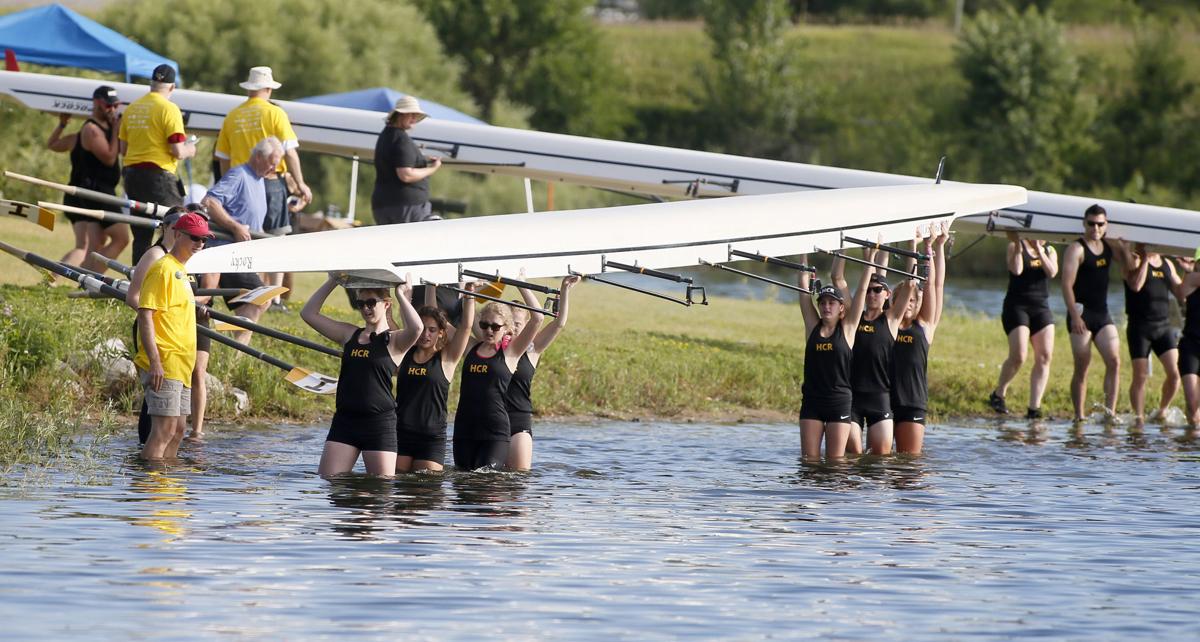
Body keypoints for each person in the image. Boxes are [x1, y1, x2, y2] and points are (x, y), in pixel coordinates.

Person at [301, 276, 422, 477]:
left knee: (380, 493)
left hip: (378, 424)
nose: (366, 308)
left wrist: (401, 295)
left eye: (371, 303)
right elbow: (308, 313)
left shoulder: (394, 340)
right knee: (331, 484)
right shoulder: (349, 334)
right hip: (345, 421)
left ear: (386, 304)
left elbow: (417, 328)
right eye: (361, 303)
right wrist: (333, 281)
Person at [214, 66, 312, 312]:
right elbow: (289, 152)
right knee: (276, 238)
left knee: (249, 236)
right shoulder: (275, 113)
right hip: (271, 180)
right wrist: (300, 184)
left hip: (241, 180)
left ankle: (253, 288)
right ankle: (275, 298)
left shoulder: (232, 116)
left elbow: (222, 157)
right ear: (268, 89)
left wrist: (231, 183)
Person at [126, 205, 213, 444]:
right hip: (165, 358)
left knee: (176, 431)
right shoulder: (162, 266)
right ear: (177, 234)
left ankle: (170, 480)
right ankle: (148, 479)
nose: (200, 244)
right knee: (162, 431)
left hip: (182, 364)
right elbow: (144, 311)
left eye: (204, 239)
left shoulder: (182, 271)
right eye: (195, 237)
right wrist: (155, 360)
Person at [200, 136, 284, 344]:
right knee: (260, 298)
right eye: (271, 162)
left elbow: (252, 221)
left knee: (257, 302)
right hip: (224, 253)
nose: (274, 167)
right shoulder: (239, 174)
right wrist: (234, 226)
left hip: (240, 257)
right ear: (257, 156)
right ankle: (230, 345)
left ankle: (232, 348)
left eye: (277, 163)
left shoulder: (259, 180)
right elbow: (209, 202)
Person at [834, 249, 913, 456]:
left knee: (880, 458)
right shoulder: (853, 316)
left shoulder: (892, 318)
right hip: (852, 397)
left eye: (877, 290)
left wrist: (913, 245)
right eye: (868, 290)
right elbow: (837, 278)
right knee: (853, 454)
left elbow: (911, 282)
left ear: (887, 294)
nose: (871, 294)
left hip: (880, 397)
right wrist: (841, 246)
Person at [797, 249, 874, 460]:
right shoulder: (812, 325)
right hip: (812, 400)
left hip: (838, 401)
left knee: (835, 464)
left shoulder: (848, 328)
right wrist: (802, 254)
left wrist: (871, 259)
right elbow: (804, 291)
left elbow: (861, 291)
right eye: (822, 302)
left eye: (831, 303)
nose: (826, 306)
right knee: (809, 462)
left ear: (841, 308)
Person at [393, 285, 476, 473]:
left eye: (432, 330)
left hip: (431, 438)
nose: (425, 334)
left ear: (441, 332)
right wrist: (402, 297)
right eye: (422, 328)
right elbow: (400, 322)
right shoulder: (404, 352)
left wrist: (470, 294)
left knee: (426, 491)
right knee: (399, 489)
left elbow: (466, 327)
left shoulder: (448, 358)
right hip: (400, 433)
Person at [453, 298, 542, 470]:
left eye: (495, 327)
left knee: (488, 484)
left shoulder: (511, 353)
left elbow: (537, 319)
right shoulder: (470, 347)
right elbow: (464, 324)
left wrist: (521, 281)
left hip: (495, 431)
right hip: (465, 428)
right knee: (463, 486)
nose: (489, 330)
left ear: (507, 328)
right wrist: (469, 294)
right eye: (484, 325)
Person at [119, 63, 197, 262]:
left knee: (141, 233)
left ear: (151, 84)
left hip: (131, 176)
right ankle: (170, 275)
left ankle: (138, 277)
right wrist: (191, 149)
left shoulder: (132, 108)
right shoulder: (169, 109)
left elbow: (123, 149)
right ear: (172, 87)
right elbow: (177, 151)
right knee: (177, 226)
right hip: (158, 176)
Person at [46, 86, 128, 273]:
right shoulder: (91, 130)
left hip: (96, 190)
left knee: (95, 243)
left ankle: (84, 278)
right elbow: (108, 158)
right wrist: (116, 130)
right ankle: (91, 278)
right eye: (109, 106)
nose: (113, 110)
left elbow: (122, 151)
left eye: (116, 106)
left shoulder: (103, 128)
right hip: (96, 192)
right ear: (98, 104)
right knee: (120, 238)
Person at [506, 275, 582, 471]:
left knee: (518, 480)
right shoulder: (493, 347)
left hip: (518, 420)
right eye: (510, 323)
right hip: (491, 419)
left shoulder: (533, 348)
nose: (514, 328)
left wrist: (564, 289)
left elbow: (559, 323)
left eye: (518, 324)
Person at [1061, 204, 1123, 422]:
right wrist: (1075, 317)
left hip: (1102, 313)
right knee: (1082, 365)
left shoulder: (1108, 247)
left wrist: (1126, 248)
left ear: (1106, 226)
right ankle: (1079, 416)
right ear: (1084, 224)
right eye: (1091, 223)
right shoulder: (1076, 249)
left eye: (1100, 224)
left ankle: (1110, 413)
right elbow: (1066, 285)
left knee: (1115, 361)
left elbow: (1129, 267)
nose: (1095, 228)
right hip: (1081, 313)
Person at [891, 223, 950, 455]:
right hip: (885, 401)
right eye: (904, 300)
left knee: (910, 463)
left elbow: (935, 284)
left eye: (913, 302)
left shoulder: (925, 326)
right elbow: (909, 283)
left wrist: (932, 247)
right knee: (881, 461)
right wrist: (912, 246)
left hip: (912, 402)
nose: (908, 304)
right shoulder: (890, 325)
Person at [989, 232, 1058, 419]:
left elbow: (1052, 272)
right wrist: (1021, 244)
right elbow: (1017, 269)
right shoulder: (1014, 246)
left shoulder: (1050, 249)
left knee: (1044, 356)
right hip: (1017, 306)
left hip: (1041, 307)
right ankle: (998, 393)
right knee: (1019, 355)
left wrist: (1039, 250)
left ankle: (1034, 408)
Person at [1123, 244, 1182, 424]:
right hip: (1140, 327)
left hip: (1163, 326)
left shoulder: (1167, 264)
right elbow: (1135, 285)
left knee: (1175, 374)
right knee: (1140, 376)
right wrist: (1145, 260)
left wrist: (1190, 271)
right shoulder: (1134, 260)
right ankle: (1139, 417)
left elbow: (1181, 293)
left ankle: (1161, 411)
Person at [371, 96, 441, 225]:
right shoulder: (401, 139)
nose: (414, 118)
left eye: (416, 115)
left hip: (382, 205)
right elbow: (406, 175)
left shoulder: (385, 136)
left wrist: (420, 163)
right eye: (411, 114)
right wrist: (432, 168)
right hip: (407, 206)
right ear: (400, 115)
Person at [1175, 256, 1200, 428]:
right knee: (1192, 402)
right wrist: (1187, 271)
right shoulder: (1191, 279)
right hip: (1191, 346)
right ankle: (1191, 442)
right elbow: (1180, 294)